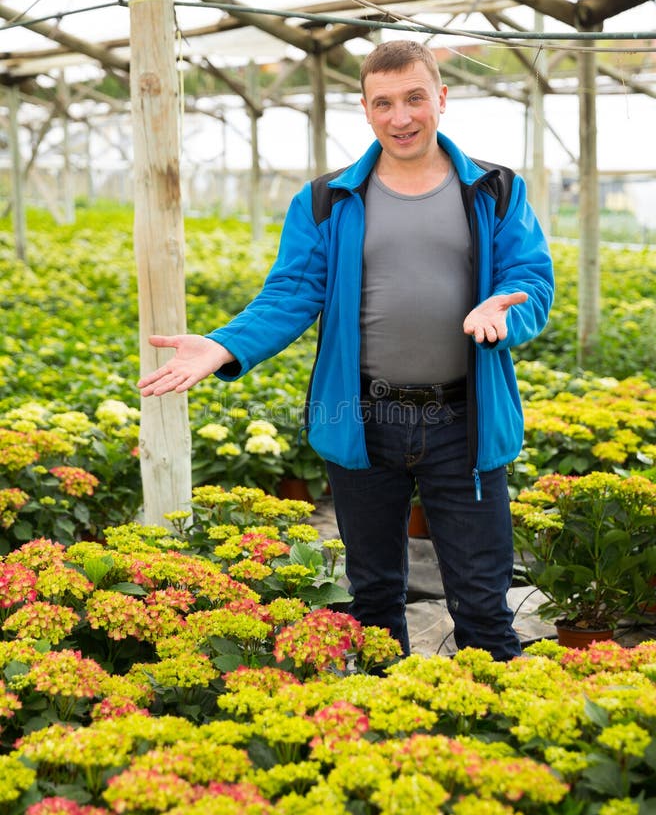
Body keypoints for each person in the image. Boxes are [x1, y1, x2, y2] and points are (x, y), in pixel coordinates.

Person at [138, 40, 554, 662]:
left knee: (482, 603)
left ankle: (491, 742)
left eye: (415, 98)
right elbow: (291, 293)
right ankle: (387, 733)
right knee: (375, 599)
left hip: (463, 421)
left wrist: (506, 305)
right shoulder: (328, 199)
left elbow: (533, 279)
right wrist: (224, 345)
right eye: (383, 103)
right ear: (365, 109)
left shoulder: (494, 189)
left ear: (440, 98)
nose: (401, 116)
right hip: (362, 420)